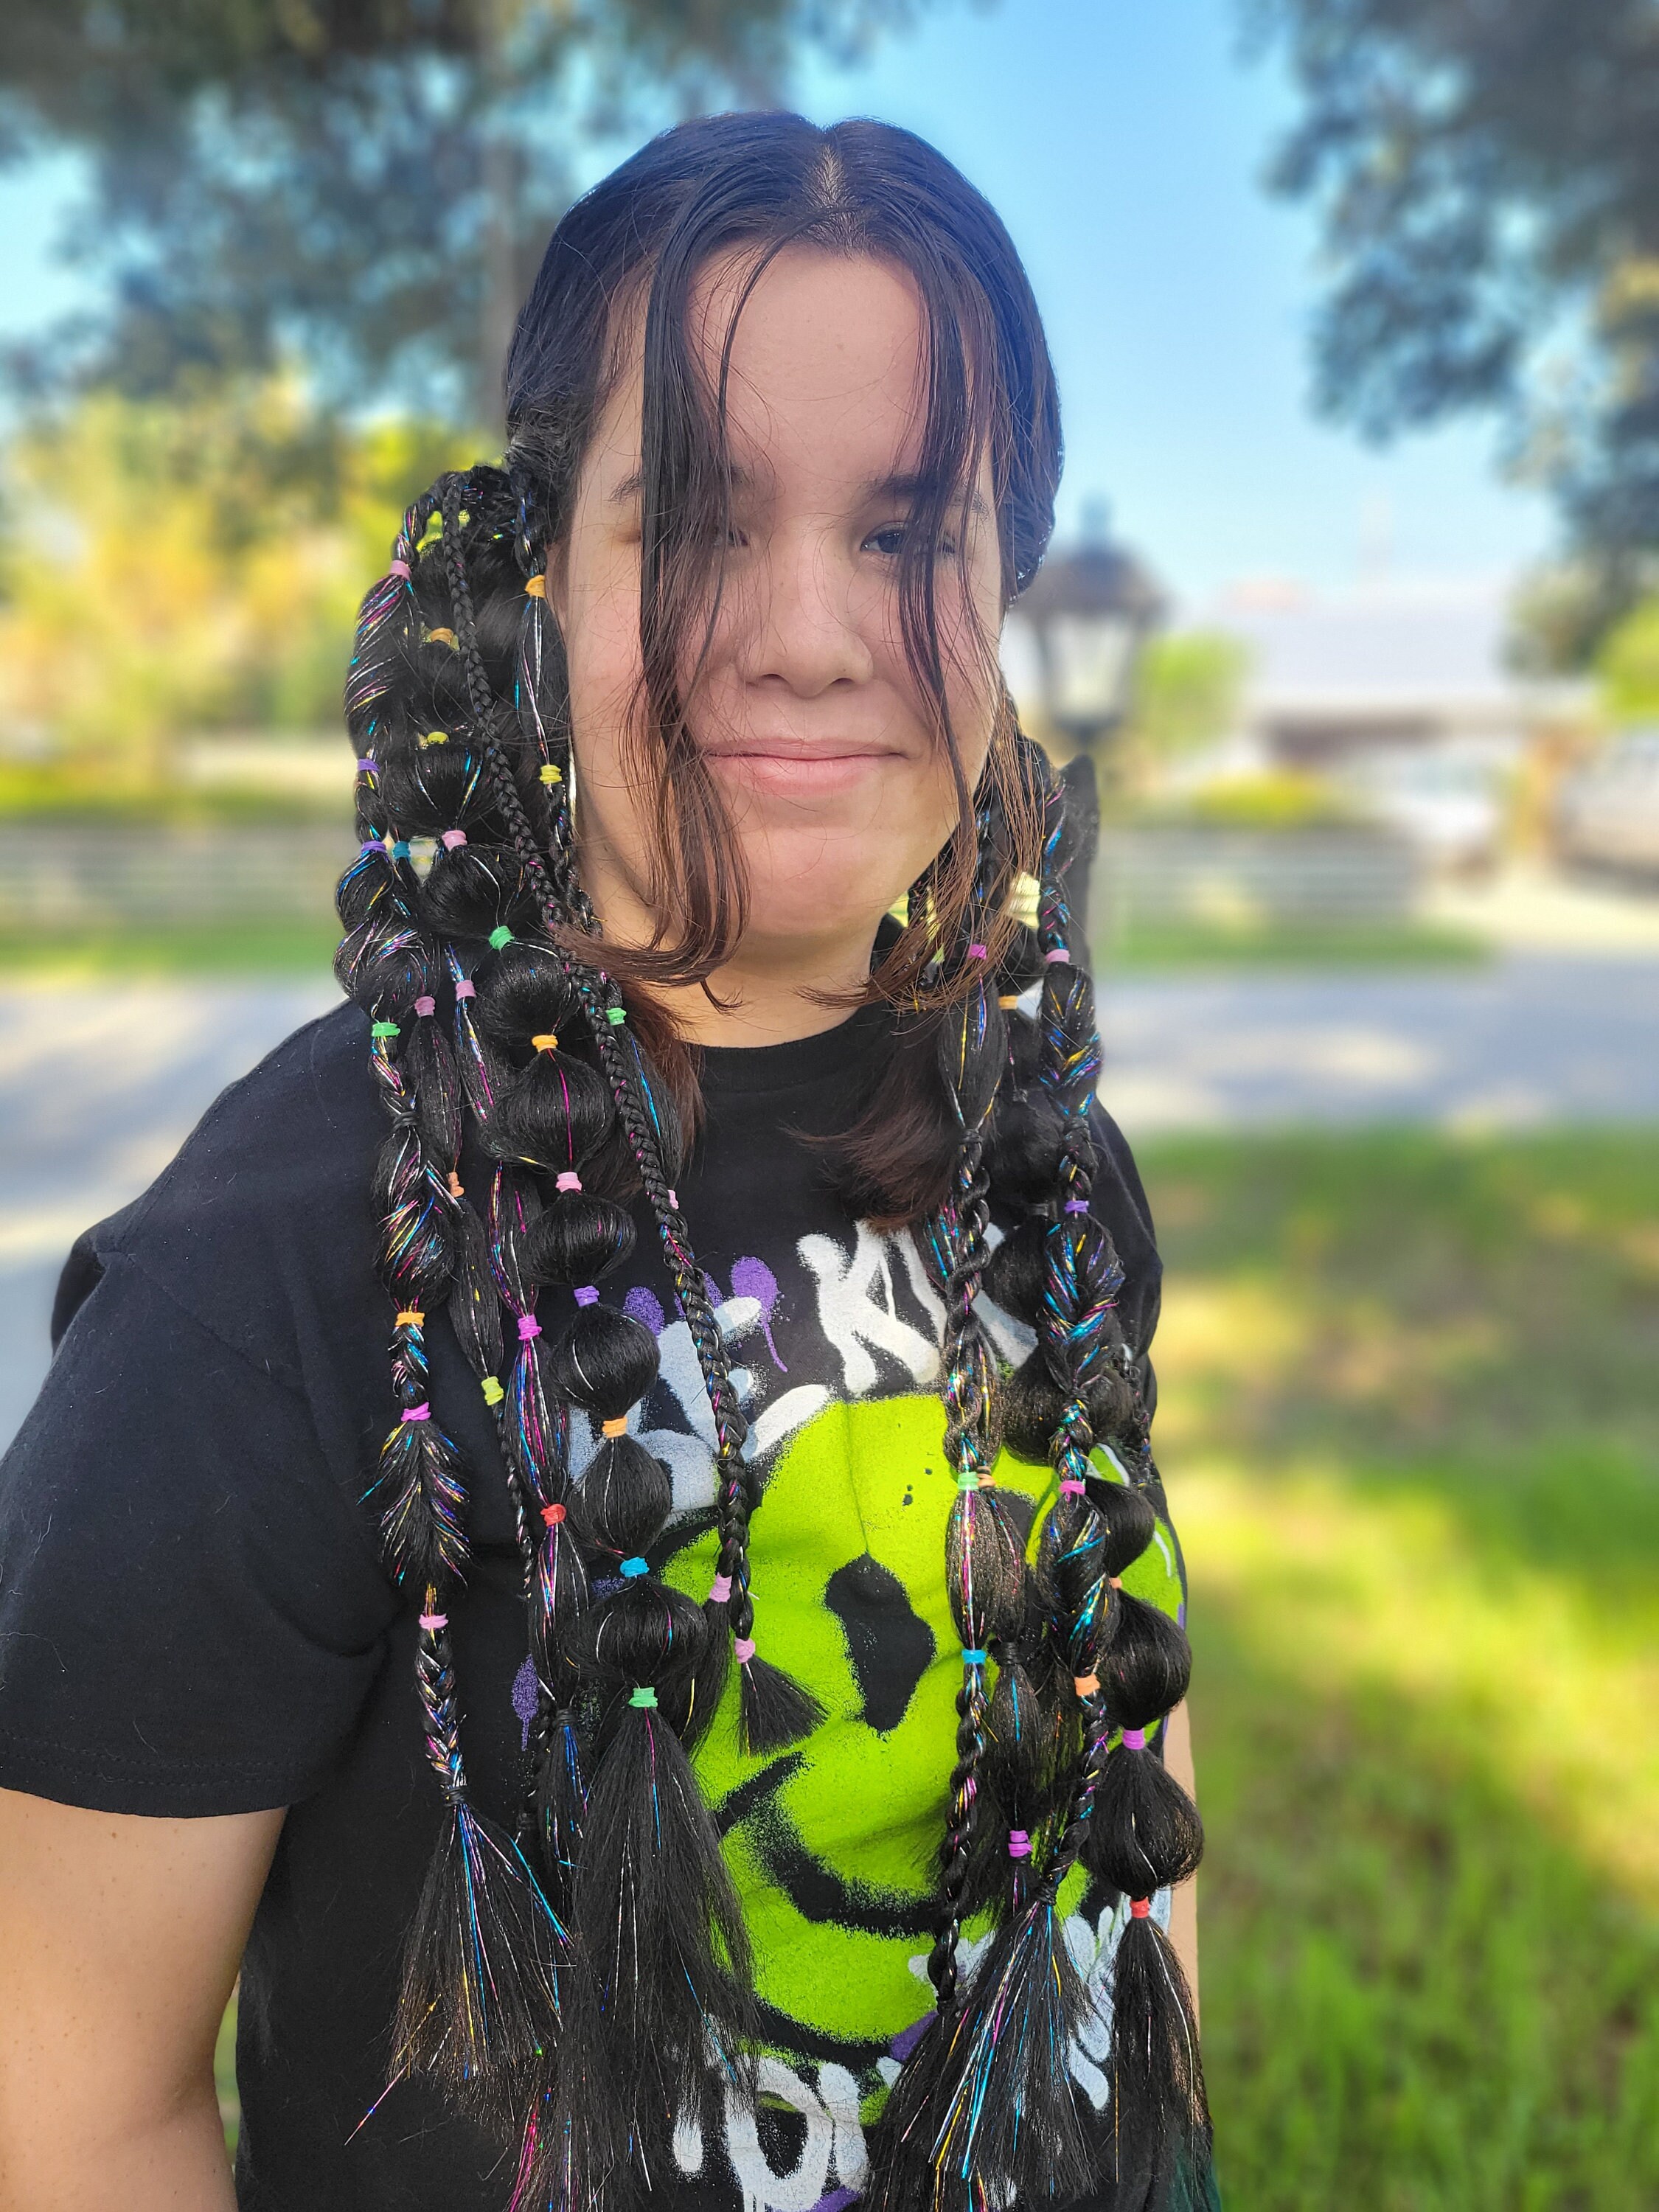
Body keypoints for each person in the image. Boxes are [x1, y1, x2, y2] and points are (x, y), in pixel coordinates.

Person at [0, 112, 1212, 2212]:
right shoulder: (290, 1253)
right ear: (547, 571)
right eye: (706, 524)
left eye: (910, 531)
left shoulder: (1046, 1160)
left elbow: (1131, 1789)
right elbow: (66, 2097)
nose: (810, 633)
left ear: (1001, 590)